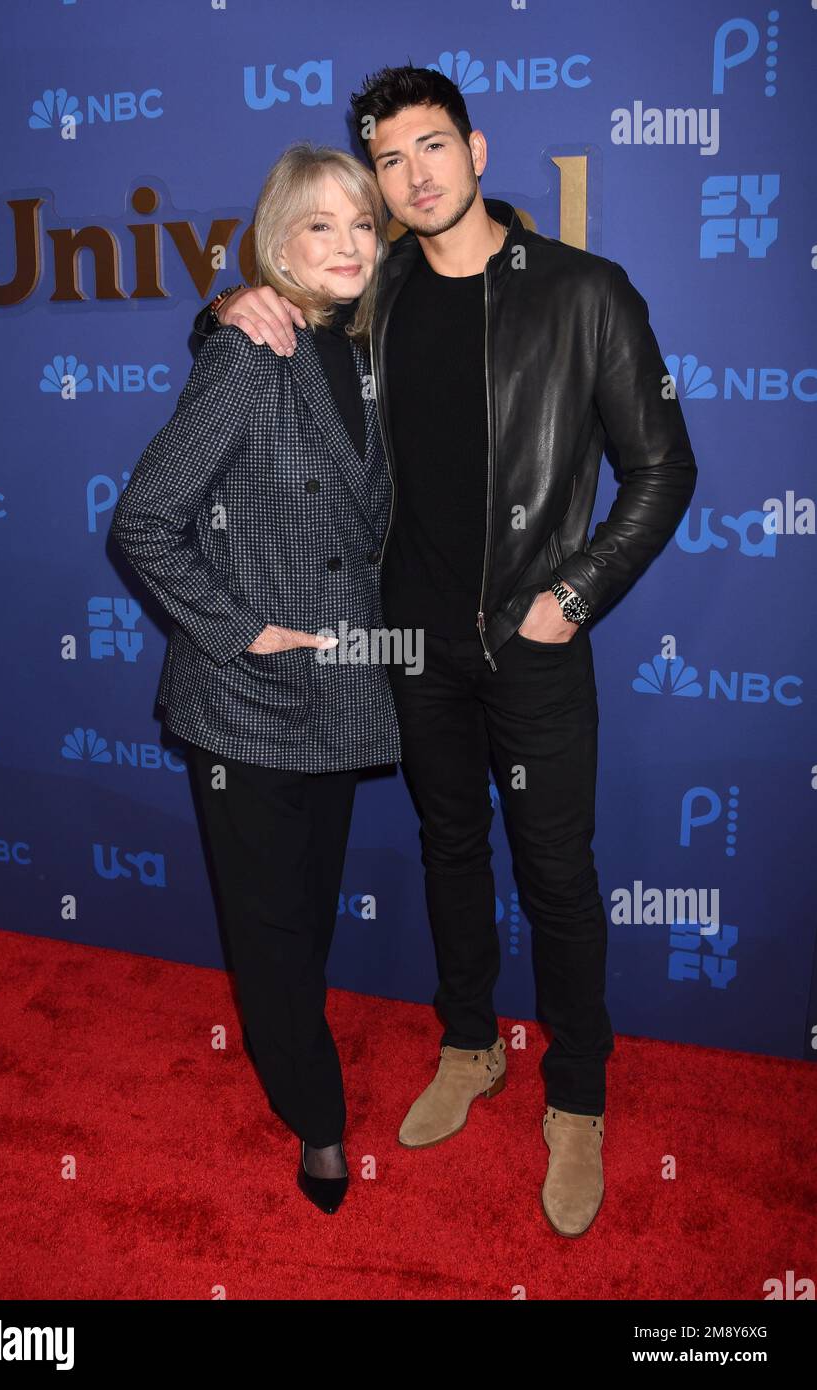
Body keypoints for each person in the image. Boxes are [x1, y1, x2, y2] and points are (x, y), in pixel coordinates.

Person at [194, 66, 698, 1238]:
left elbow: (665, 468)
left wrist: (571, 596)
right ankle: (470, 1042)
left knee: (559, 876)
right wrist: (220, 308)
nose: (413, 175)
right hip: (410, 641)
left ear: (477, 147)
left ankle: (576, 1097)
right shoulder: (383, 292)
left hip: (535, 640)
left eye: (432, 147)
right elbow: (283, 331)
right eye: (388, 159)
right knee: (451, 848)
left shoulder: (583, 291)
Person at [111, 142, 400, 1215]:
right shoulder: (247, 355)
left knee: (305, 914)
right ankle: (318, 1121)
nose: (347, 245)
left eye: (364, 225)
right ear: (277, 241)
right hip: (245, 701)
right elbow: (143, 519)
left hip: (342, 690)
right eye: (319, 225)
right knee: (272, 926)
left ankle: (295, 1044)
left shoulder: (366, 353)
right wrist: (235, 630)